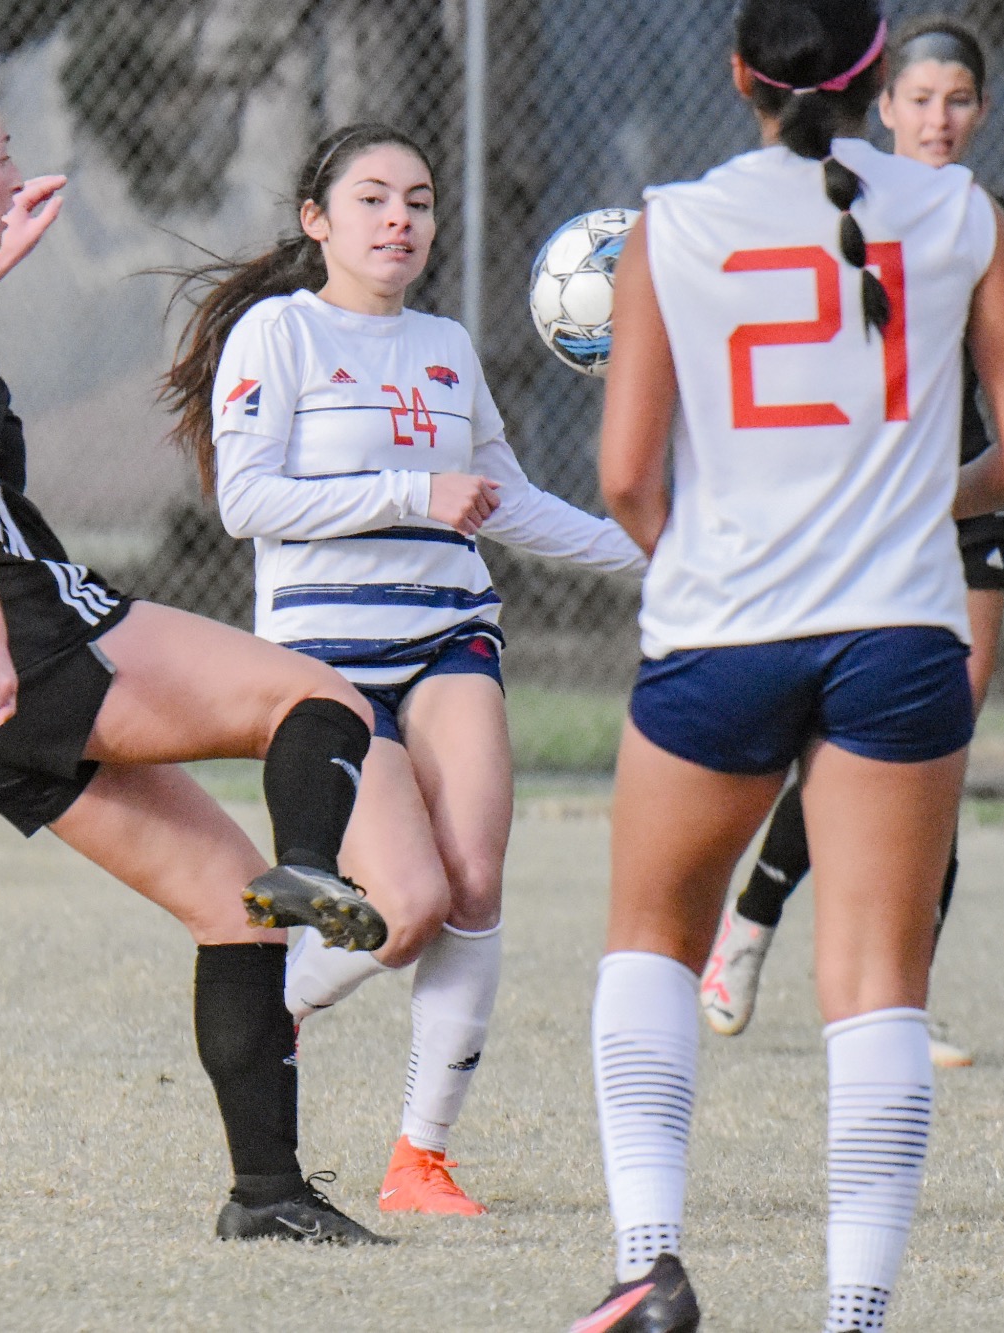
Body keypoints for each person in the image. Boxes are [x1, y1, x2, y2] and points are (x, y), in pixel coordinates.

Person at [0, 74, 396, 1245]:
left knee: (232, 915)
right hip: (37, 644)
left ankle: (266, 1198)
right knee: (322, 699)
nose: (13, 171)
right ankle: (315, 863)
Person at [568, 0, 1004, 1325]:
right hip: (901, 633)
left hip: (722, 631)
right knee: (877, 991)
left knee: (652, 943)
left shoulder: (672, 222)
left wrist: (717, 556)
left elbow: (624, 476)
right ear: (875, 76)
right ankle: (854, 1314)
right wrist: (904, 511)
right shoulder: (967, 219)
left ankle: (646, 1263)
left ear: (742, 75)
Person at [162, 123, 647, 1216]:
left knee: (473, 885)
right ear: (315, 220)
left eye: (418, 201)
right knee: (410, 903)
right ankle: (276, 1000)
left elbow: (503, 499)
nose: (399, 220)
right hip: (321, 662)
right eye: (373, 199)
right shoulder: (275, 334)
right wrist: (406, 492)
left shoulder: (443, 344)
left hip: (448, 636)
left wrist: (653, 547)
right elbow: (248, 503)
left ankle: (418, 1160)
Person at [697, 14, 1004, 1067]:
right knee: (832, 735)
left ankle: (896, 1000)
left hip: (958, 506)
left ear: (979, 111)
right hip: (841, 513)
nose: (937, 117)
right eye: (918, 98)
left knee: (935, 749)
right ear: (876, 101)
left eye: (957, 100)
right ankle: (753, 914)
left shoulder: (976, 219)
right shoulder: (798, 213)